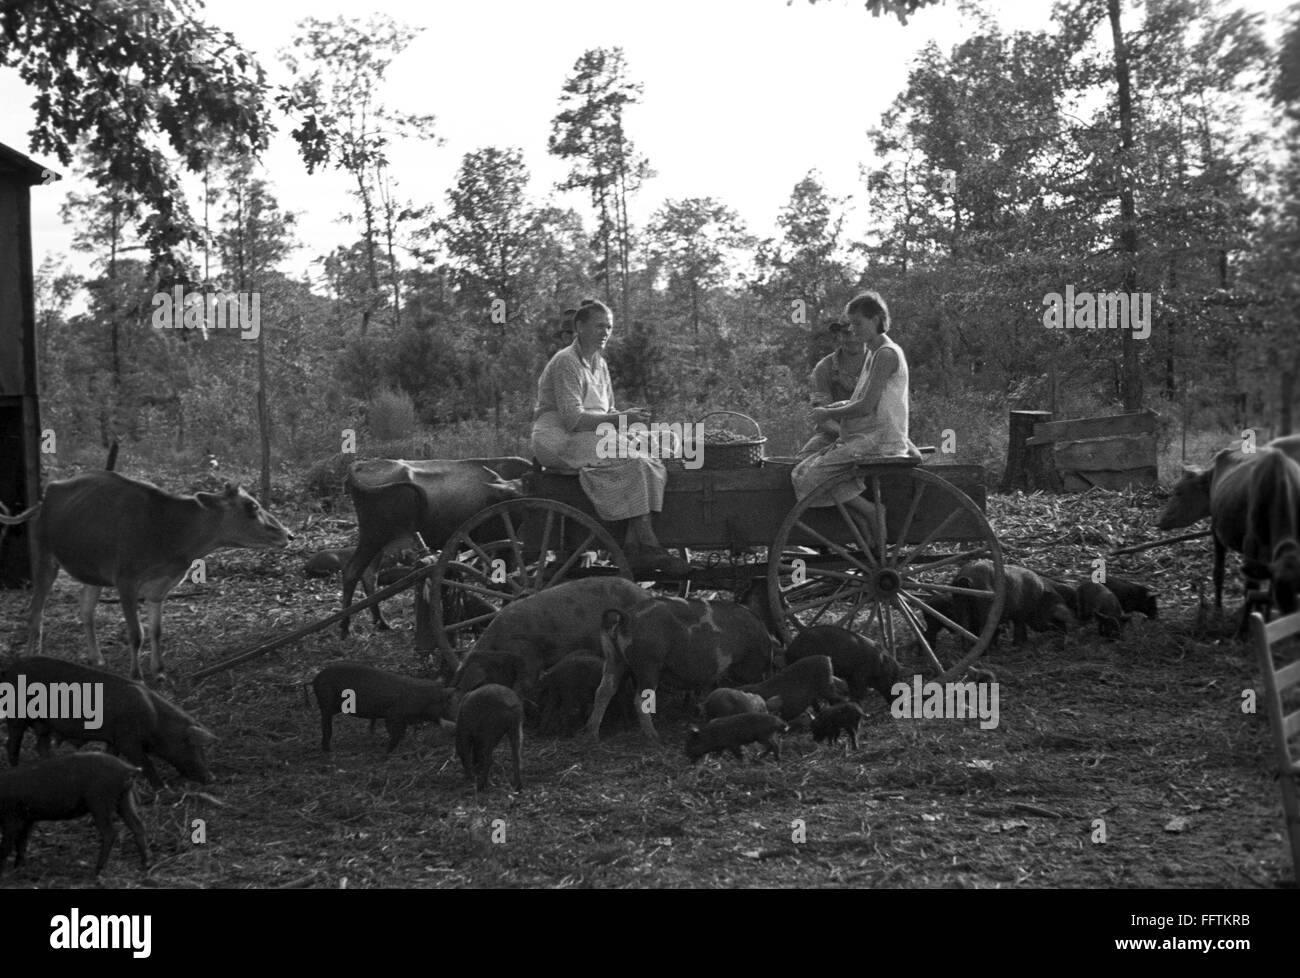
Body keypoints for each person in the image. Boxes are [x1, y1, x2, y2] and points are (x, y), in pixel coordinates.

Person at [532, 299, 687, 576]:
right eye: (599, 326)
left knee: (661, 446)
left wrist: (633, 423)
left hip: (592, 435)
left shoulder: (599, 364)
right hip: (559, 438)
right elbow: (574, 419)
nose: (605, 332)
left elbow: (608, 410)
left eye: (610, 327)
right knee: (635, 460)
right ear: (579, 327)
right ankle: (647, 544)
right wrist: (622, 420)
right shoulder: (566, 362)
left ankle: (631, 543)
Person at [790, 291, 920, 539]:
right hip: (861, 432)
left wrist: (828, 411)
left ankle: (872, 511)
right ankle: (866, 525)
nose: (853, 331)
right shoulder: (867, 354)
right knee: (801, 469)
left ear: (877, 319)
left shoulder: (886, 354)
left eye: (858, 323)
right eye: (850, 325)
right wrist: (831, 411)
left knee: (810, 479)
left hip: (879, 438)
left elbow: (865, 406)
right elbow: (859, 400)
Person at [798, 319, 868, 456]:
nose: (853, 339)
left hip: (875, 432)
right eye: (847, 333)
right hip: (834, 434)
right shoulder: (823, 368)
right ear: (839, 335)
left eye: (857, 333)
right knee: (801, 462)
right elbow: (822, 417)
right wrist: (846, 436)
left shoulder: (880, 361)